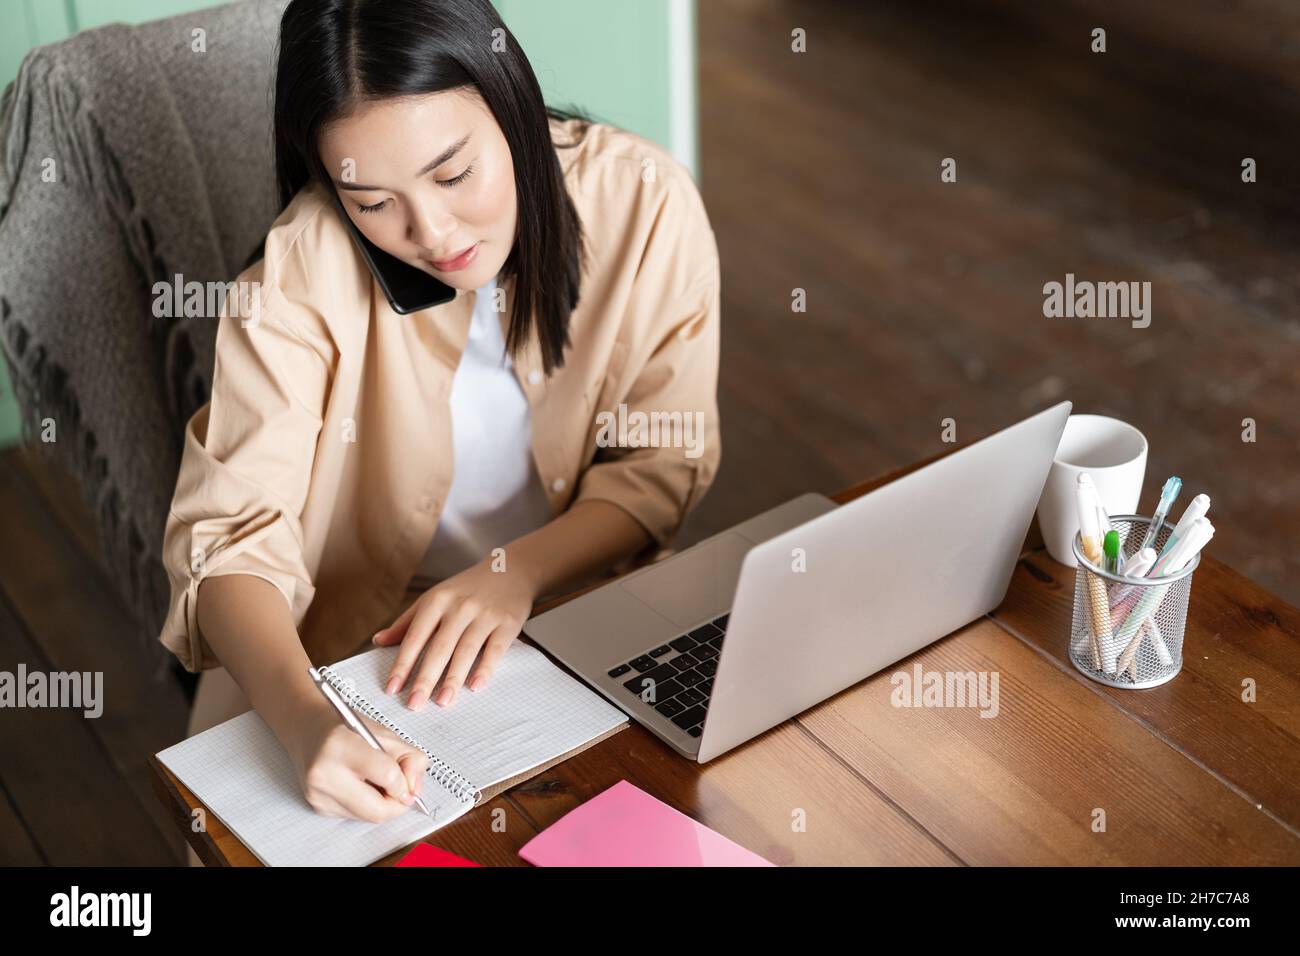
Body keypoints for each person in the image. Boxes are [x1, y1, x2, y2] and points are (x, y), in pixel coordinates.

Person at [159, 0, 721, 827]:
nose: (431, 231)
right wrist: (313, 721)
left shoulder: (646, 205)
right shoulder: (300, 269)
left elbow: (656, 467)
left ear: (512, 103)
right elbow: (230, 542)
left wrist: (514, 574)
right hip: (341, 653)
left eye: (454, 174)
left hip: (575, 614)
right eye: (371, 200)